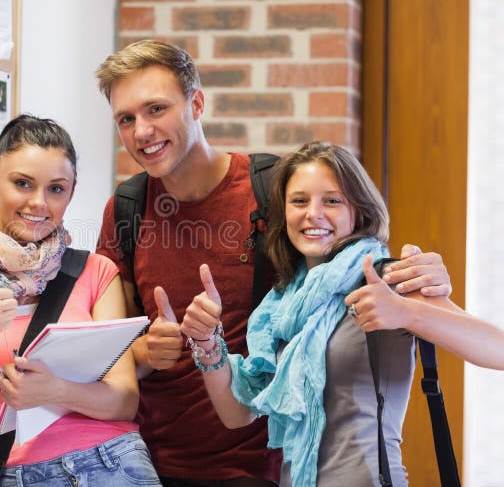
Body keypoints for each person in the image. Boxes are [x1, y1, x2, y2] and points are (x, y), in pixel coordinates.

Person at [94, 40, 451, 486]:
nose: (142, 131)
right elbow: (105, 347)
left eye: (156, 109)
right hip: (152, 465)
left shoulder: (270, 190)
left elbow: (348, 261)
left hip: (271, 465)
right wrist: (145, 350)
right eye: (126, 119)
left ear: (197, 104)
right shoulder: (125, 210)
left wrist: (423, 277)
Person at [180, 141, 457, 485]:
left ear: (359, 210)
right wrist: (207, 342)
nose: (313, 213)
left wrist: (407, 313)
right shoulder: (283, 305)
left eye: (332, 200)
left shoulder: (388, 278)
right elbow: (237, 414)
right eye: (299, 201)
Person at [0, 114, 161, 486]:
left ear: (71, 193)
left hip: (116, 464)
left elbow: (125, 400)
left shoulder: (94, 271)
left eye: (56, 189)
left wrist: (56, 391)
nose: (38, 203)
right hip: (19, 473)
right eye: (22, 183)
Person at [345, 255, 504, 370]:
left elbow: (499, 349)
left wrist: (406, 311)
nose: (318, 214)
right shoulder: (320, 283)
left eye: (332, 205)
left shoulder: (389, 277)